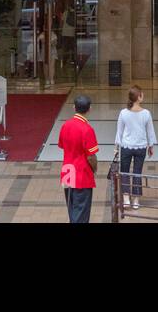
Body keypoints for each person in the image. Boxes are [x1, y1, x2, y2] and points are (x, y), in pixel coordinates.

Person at [57, 94, 98, 223]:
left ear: (74, 107)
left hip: (67, 172)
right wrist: (94, 169)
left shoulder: (65, 125)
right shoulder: (87, 129)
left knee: (72, 209)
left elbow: (62, 145)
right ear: (89, 109)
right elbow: (91, 156)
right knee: (81, 212)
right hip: (81, 174)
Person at [114, 86, 156, 211]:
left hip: (126, 146)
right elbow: (150, 132)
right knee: (137, 172)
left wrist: (116, 147)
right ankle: (136, 200)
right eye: (142, 94)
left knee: (124, 171)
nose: (143, 96)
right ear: (139, 97)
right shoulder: (146, 113)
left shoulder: (123, 113)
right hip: (141, 147)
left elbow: (119, 132)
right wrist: (151, 146)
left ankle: (126, 198)